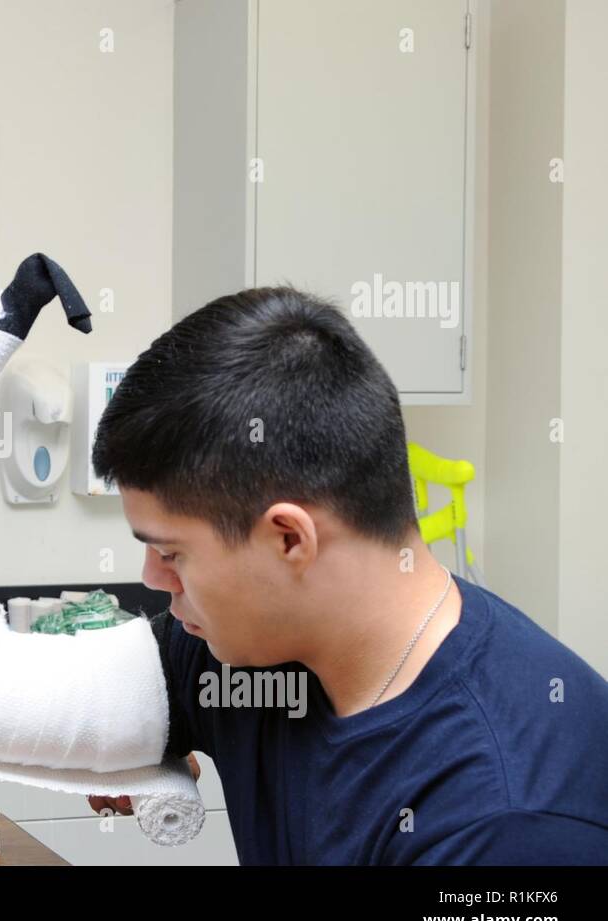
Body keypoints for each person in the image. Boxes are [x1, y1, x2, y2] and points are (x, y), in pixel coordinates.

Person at [86, 286, 608, 864]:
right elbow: (34, 694)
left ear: (289, 539)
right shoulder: (251, 650)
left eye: (172, 553)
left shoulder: (502, 822)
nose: (154, 579)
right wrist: (130, 742)